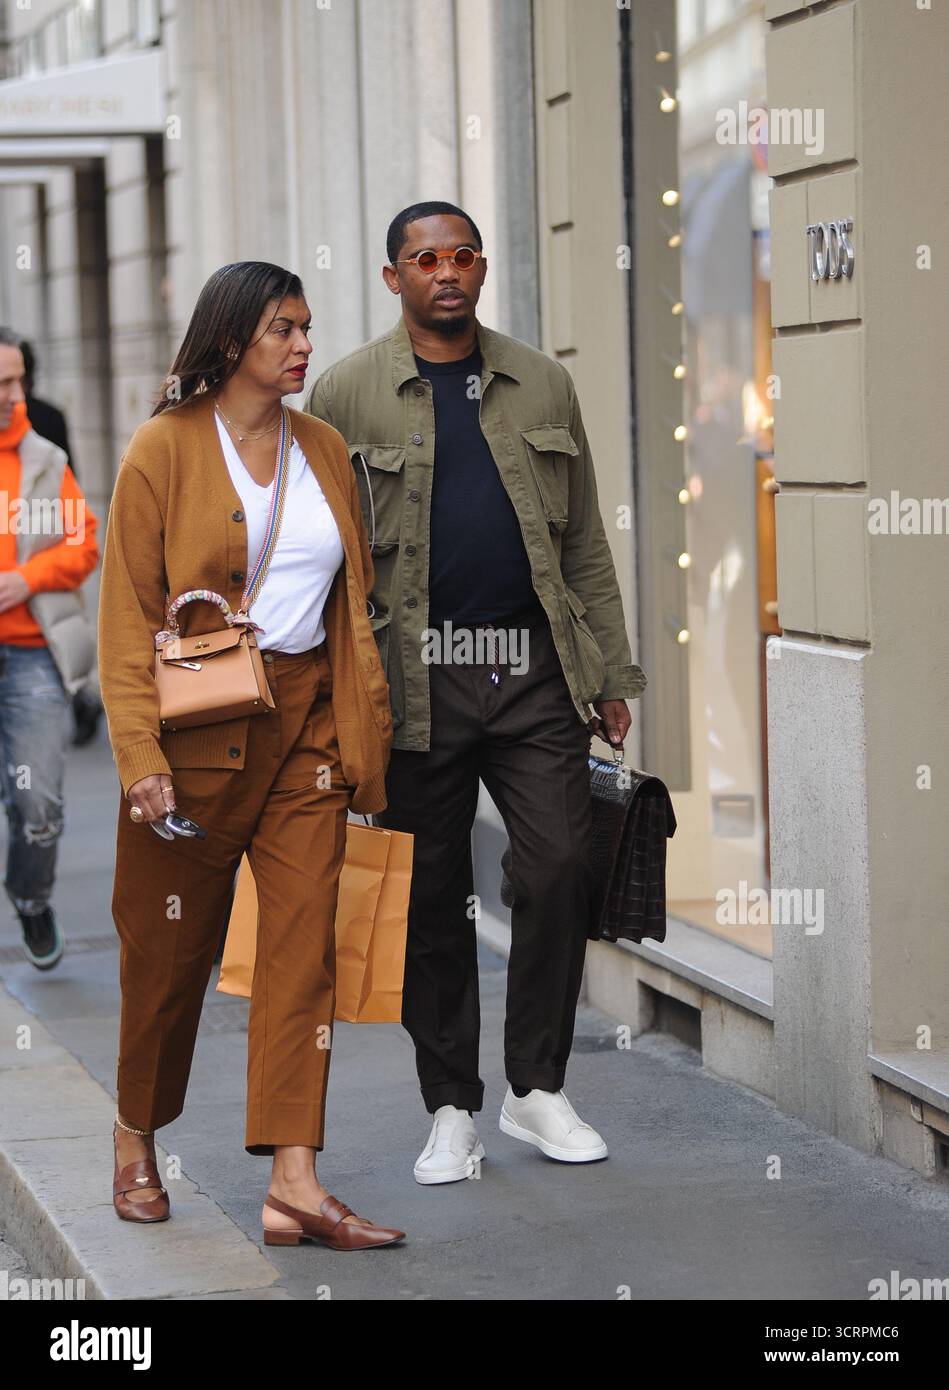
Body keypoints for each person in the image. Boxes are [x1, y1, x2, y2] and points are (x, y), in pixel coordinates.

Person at [305, 202, 647, 1184]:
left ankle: (534, 1087)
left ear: (482, 268)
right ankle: (450, 1107)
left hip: (532, 667)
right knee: (430, 898)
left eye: (461, 255)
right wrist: (330, 696)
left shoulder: (541, 381)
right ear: (393, 277)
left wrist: (608, 672)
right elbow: (318, 555)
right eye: (425, 259)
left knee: (558, 867)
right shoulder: (345, 393)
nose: (445, 271)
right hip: (411, 678)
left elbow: (582, 540)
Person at [97, 261, 404, 1250]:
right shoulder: (163, 448)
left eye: (307, 327)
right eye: (283, 329)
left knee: (303, 950)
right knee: (168, 954)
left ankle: (293, 1182)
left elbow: (350, 602)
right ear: (230, 341)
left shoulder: (323, 448)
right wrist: (139, 757)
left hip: (307, 729)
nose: (304, 345)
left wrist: (357, 736)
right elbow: (126, 617)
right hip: (193, 740)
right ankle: (135, 1134)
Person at [0, 328, 99, 971]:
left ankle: (32, 898)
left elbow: (84, 544)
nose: (16, 395)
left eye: (18, 380)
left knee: (36, 803)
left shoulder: (44, 457)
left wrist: (26, 579)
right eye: (2, 383)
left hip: (31, 657)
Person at [19, 338, 103, 749]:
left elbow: (69, 484)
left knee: (59, 633)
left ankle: (80, 698)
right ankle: (77, 697)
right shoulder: (50, 414)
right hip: (46, 546)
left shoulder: (45, 420)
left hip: (46, 549)